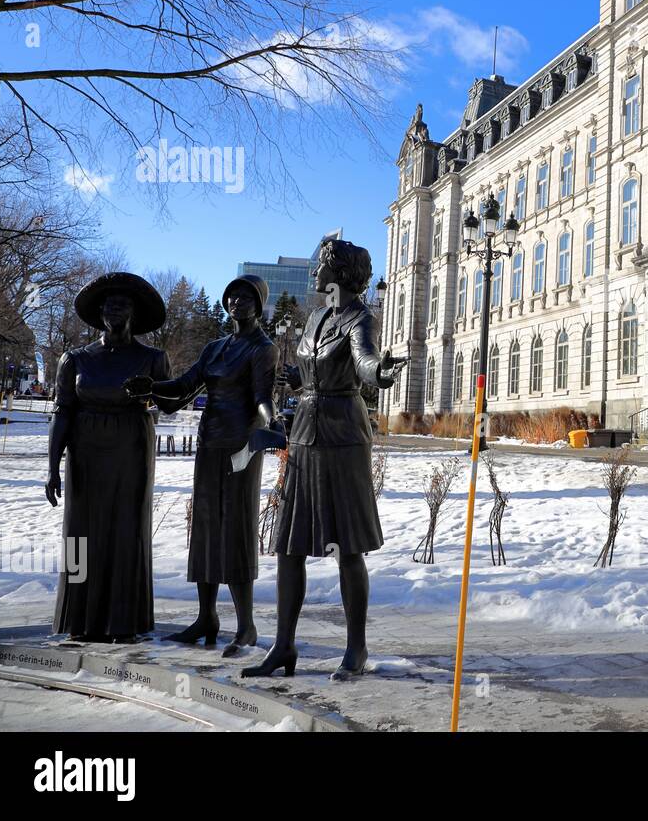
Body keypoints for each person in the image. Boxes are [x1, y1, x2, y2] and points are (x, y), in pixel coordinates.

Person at [242, 240, 405, 680]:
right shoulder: (314, 317)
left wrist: (382, 371)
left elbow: (365, 361)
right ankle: (284, 646)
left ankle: (356, 648)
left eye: (323, 266)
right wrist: (299, 377)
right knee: (288, 545)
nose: (316, 271)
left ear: (341, 273)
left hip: (343, 437)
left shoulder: (360, 318)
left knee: (347, 546)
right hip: (304, 436)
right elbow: (314, 366)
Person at [125, 274, 279, 656]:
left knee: (237, 528)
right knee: (207, 525)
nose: (237, 302)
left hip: (240, 447)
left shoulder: (263, 348)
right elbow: (184, 386)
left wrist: (271, 421)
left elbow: (262, 396)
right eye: (231, 297)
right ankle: (206, 618)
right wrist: (151, 387)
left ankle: (246, 626)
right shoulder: (214, 348)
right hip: (209, 445)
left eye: (246, 297)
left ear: (258, 305)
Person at [46, 273, 170, 642]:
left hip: (131, 452)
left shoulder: (152, 359)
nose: (116, 309)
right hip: (84, 454)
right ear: (99, 313)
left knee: (125, 531)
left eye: (124, 304)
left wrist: (151, 395)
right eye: (109, 304)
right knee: (80, 533)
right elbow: (62, 411)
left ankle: (122, 621)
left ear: (135, 313)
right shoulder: (75, 359)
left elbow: (167, 404)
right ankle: (78, 619)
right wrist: (52, 467)